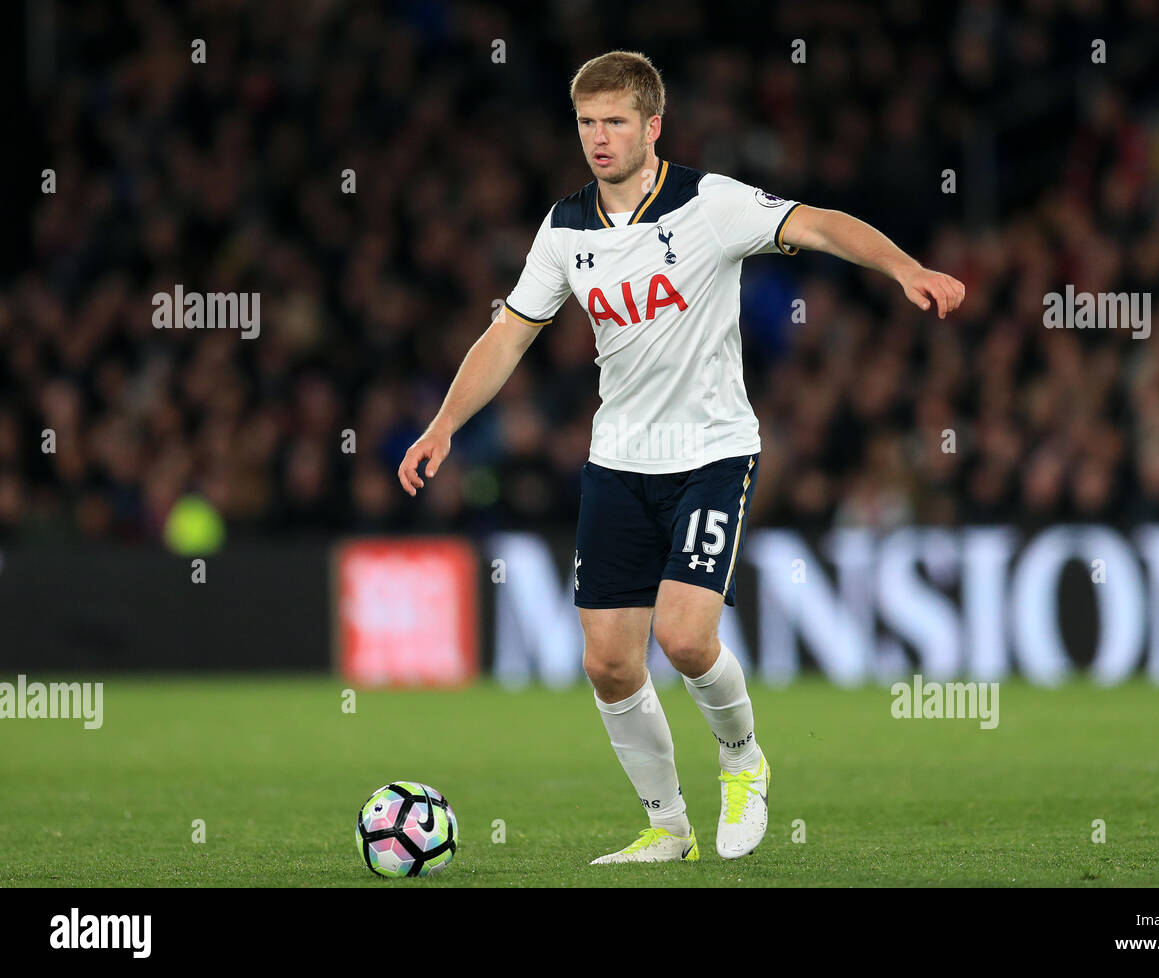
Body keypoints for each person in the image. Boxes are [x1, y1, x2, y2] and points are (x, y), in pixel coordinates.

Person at [398, 50, 965, 864]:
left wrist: (905, 267)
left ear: (652, 126)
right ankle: (668, 828)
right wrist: (445, 424)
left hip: (711, 450)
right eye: (587, 122)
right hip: (618, 460)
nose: (598, 138)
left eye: (615, 122)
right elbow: (509, 333)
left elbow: (819, 222)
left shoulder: (710, 203)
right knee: (606, 662)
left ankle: (743, 760)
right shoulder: (564, 228)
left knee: (687, 639)